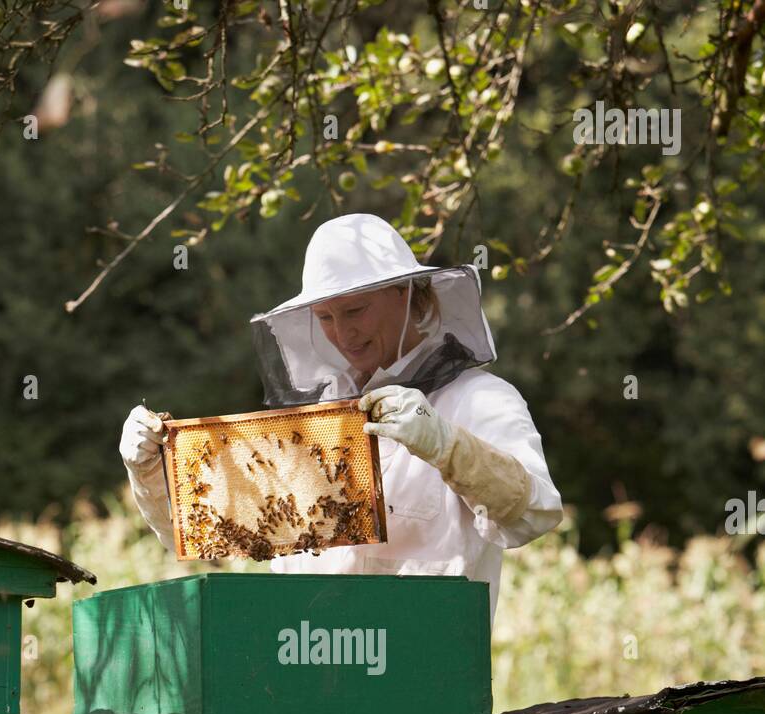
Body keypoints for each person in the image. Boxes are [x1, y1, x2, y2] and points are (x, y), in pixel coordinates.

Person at [119, 212, 562, 621]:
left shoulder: (478, 401)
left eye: (356, 310)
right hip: (308, 672)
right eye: (326, 317)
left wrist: (449, 447)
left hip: (426, 674)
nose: (343, 334)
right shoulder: (315, 424)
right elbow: (218, 536)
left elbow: (535, 512)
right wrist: (151, 473)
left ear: (406, 294)